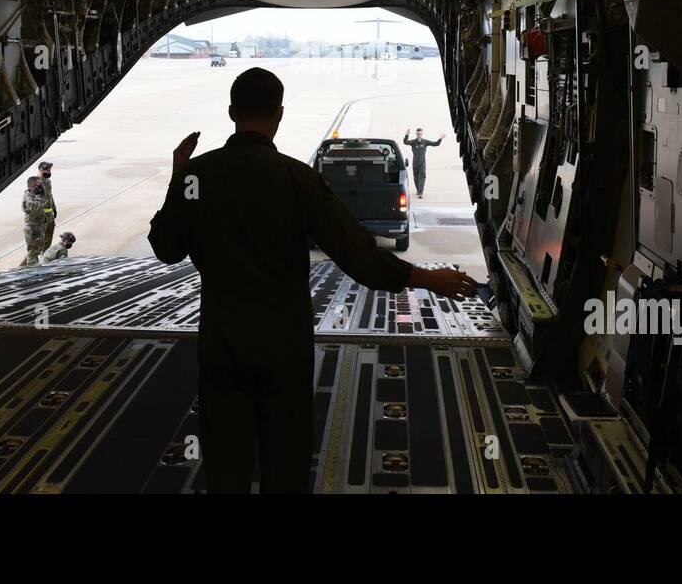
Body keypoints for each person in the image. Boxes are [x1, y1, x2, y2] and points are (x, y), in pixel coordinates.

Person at [148, 67, 477, 494]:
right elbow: (357, 255)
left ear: (231, 112)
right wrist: (426, 278)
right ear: (279, 114)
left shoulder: (197, 177)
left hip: (223, 347)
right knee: (285, 465)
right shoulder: (297, 179)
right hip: (284, 348)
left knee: (226, 464)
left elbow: (166, 248)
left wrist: (179, 177)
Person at [402, 127, 445, 199]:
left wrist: (440, 139)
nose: (419, 135)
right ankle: (418, 189)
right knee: (416, 177)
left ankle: (420, 193)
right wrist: (407, 135)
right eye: (418, 134)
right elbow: (405, 142)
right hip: (415, 162)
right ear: (416, 134)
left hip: (422, 162)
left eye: (420, 134)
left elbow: (435, 144)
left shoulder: (425, 142)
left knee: (422, 177)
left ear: (422, 134)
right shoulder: (413, 142)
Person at [21, 177, 49, 266]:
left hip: (38, 226)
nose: (40, 187)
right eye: (38, 185)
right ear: (32, 186)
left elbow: (45, 204)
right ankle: (33, 270)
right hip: (32, 228)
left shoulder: (35, 195)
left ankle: (22, 268)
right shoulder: (28, 197)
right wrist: (39, 196)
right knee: (33, 251)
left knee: (36, 250)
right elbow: (34, 207)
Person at [38, 161, 56, 254]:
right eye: (47, 171)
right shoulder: (36, 183)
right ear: (41, 170)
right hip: (42, 215)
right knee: (38, 243)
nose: (49, 173)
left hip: (49, 214)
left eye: (50, 170)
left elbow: (50, 195)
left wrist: (54, 208)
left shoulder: (48, 181)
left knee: (48, 240)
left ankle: (44, 259)